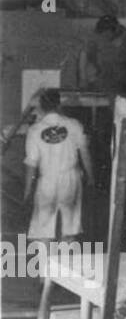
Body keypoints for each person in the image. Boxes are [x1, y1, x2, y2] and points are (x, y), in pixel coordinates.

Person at [23, 89, 93, 241]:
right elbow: (85, 154)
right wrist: (91, 177)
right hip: (71, 180)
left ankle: (44, 263)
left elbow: (31, 164)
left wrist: (27, 190)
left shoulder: (35, 130)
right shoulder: (74, 125)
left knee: (43, 232)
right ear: (59, 104)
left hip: (47, 181)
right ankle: (67, 262)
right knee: (69, 231)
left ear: (41, 106)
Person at [78, 15, 126, 97]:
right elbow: (85, 52)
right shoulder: (99, 38)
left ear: (114, 29)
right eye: (100, 32)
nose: (102, 36)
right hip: (107, 90)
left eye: (104, 33)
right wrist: (83, 78)